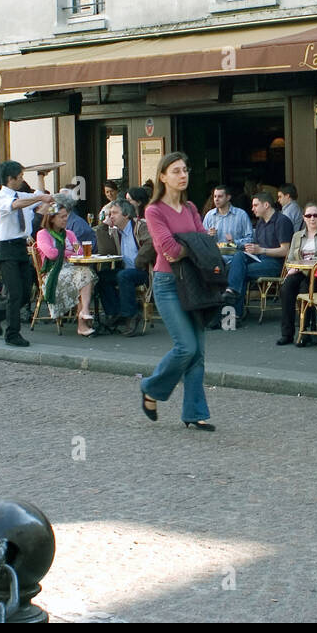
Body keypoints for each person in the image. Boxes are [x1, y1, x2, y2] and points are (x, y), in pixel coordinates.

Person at [140, 151, 215, 430]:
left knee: (198, 353)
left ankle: (194, 412)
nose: (182, 175)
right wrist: (191, 246)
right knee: (186, 347)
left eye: (185, 170)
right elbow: (168, 249)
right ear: (162, 177)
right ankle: (150, 387)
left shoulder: (192, 208)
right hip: (168, 284)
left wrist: (189, 247)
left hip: (194, 282)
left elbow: (202, 244)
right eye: (176, 171)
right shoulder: (154, 210)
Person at [0, 161, 55, 347]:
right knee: (15, 293)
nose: (22, 179)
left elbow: (37, 196)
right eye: (20, 177)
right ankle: (12, 334)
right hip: (6, 248)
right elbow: (17, 204)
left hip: (21, 247)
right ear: (10, 179)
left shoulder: (19, 194)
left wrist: (41, 177)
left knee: (24, 293)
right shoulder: (1, 197)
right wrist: (39, 200)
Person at [221, 191, 293, 324]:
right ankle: (233, 304)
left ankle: (233, 312)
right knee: (238, 257)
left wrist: (261, 250)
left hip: (277, 264)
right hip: (260, 258)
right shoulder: (260, 222)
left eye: (255, 205)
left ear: (266, 205)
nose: (252, 208)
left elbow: (285, 251)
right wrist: (252, 249)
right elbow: (258, 246)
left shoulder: (282, 221)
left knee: (236, 271)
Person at [276, 203, 317, 345]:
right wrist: (293, 267)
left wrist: (313, 260)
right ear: (303, 218)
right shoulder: (297, 236)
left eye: (316, 215)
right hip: (300, 271)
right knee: (286, 289)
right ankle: (287, 334)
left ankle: (306, 332)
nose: (312, 218)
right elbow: (291, 258)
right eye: (308, 215)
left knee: (305, 288)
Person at [94, 197, 155, 336]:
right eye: (110, 213)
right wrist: (103, 227)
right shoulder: (116, 232)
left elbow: (151, 243)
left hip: (143, 271)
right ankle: (115, 313)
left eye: (114, 213)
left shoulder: (140, 226)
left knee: (124, 276)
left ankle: (131, 315)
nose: (111, 216)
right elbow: (105, 252)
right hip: (126, 271)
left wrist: (139, 262)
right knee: (101, 277)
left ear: (126, 215)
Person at [35, 205, 98, 337]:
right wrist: (68, 252)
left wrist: (64, 252)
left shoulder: (69, 234)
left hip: (73, 271)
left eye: (66, 216)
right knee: (84, 277)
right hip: (54, 273)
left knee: (85, 275)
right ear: (52, 218)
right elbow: (51, 254)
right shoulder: (43, 234)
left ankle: (84, 311)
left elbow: (80, 251)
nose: (66, 219)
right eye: (62, 216)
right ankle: (82, 324)